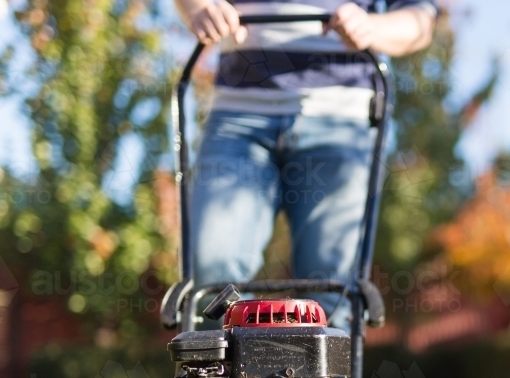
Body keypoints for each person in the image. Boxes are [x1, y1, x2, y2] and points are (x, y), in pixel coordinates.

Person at [174, 0, 436, 327]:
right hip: (238, 116)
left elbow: (420, 20)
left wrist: (373, 28)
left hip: (341, 119)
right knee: (213, 274)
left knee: (331, 286)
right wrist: (199, 7)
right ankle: (228, 374)